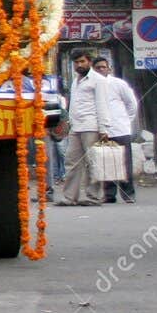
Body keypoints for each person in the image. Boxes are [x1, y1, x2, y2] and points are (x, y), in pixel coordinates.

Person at [57, 51, 125, 206]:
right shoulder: (76, 81)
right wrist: (68, 122)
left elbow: (103, 105)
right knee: (71, 161)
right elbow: (73, 104)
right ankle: (69, 197)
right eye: (76, 62)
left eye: (82, 61)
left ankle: (92, 196)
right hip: (76, 127)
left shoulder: (99, 81)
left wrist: (104, 128)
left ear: (89, 62)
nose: (79, 65)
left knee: (92, 162)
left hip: (92, 126)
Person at [94, 58, 137, 203]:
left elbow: (132, 104)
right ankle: (109, 195)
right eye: (97, 68)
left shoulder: (119, 84)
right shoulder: (93, 85)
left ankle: (128, 194)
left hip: (120, 129)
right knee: (107, 162)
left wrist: (125, 119)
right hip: (103, 130)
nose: (100, 70)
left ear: (109, 69)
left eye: (103, 67)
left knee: (125, 163)